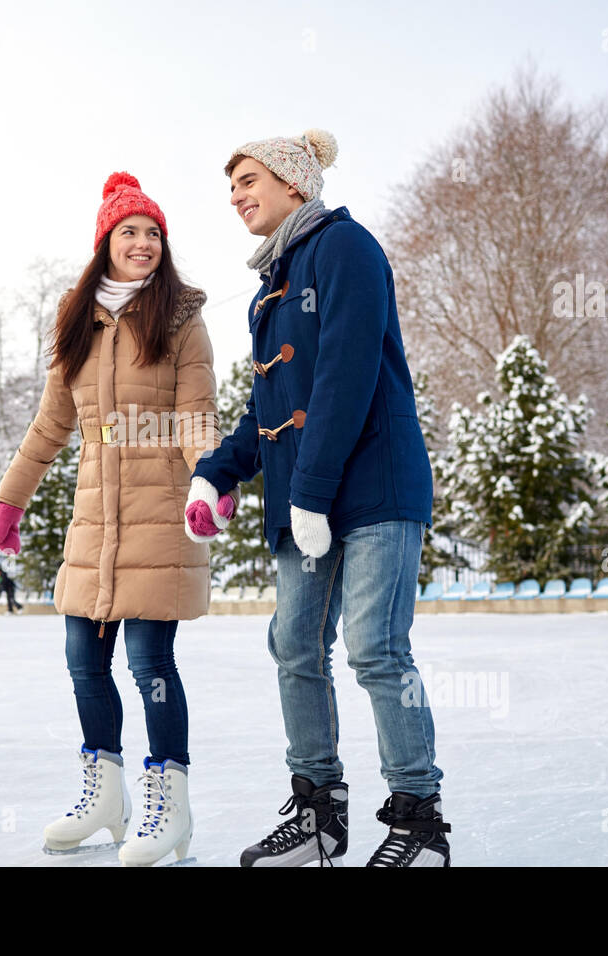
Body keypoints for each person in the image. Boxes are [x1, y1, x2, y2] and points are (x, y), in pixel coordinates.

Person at [185, 129, 452, 867]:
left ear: (294, 182)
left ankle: (420, 822)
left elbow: (345, 375)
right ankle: (318, 815)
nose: (236, 195)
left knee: (375, 649)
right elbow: (268, 407)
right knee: (295, 645)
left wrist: (310, 492)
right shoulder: (271, 286)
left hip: (370, 486)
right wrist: (217, 471)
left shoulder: (346, 248)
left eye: (247, 179)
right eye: (231, 186)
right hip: (307, 501)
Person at [0, 172, 237, 867]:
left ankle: (170, 807)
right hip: (95, 520)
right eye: (130, 231)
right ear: (105, 243)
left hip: (160, 511)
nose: (144, 243)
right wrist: (13, 496)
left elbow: (196, 415)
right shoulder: (78, 321)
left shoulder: (182, 317)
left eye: (153, 232)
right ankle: (105, 796)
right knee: (83, 661)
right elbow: (51, 423)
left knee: (150, 662)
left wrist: (209, 478)